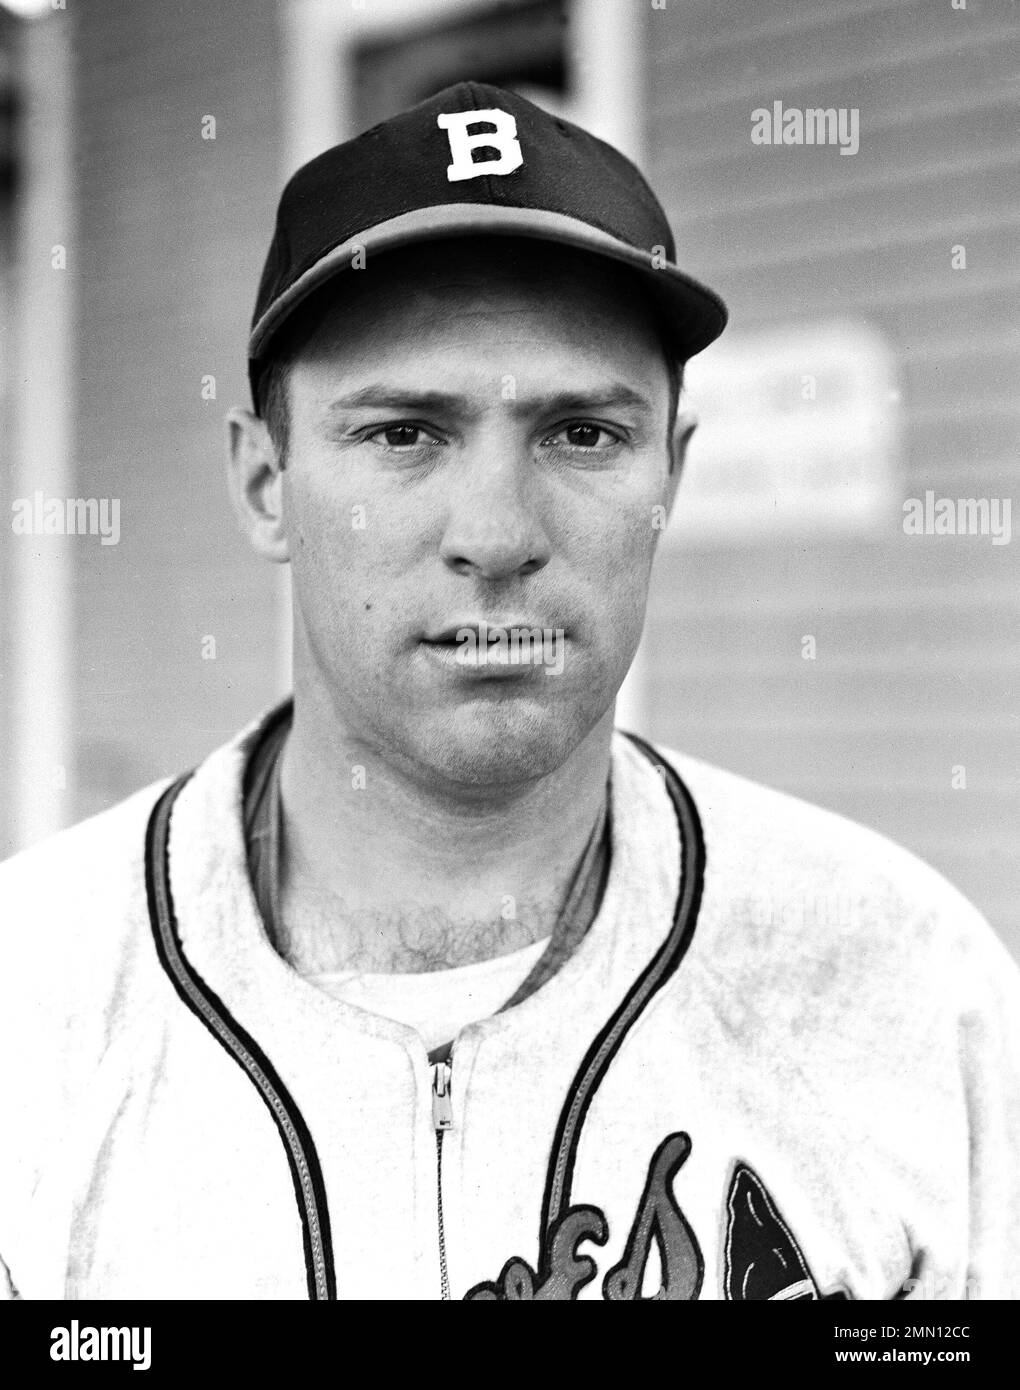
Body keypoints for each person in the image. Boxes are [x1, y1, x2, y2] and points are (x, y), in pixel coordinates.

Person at [1, 81, 1017, 1303]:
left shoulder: (903, 980)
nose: (496, 533)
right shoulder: (35, 999)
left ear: (669, 478)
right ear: (267, 483)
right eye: (402, 434)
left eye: (583, 433)